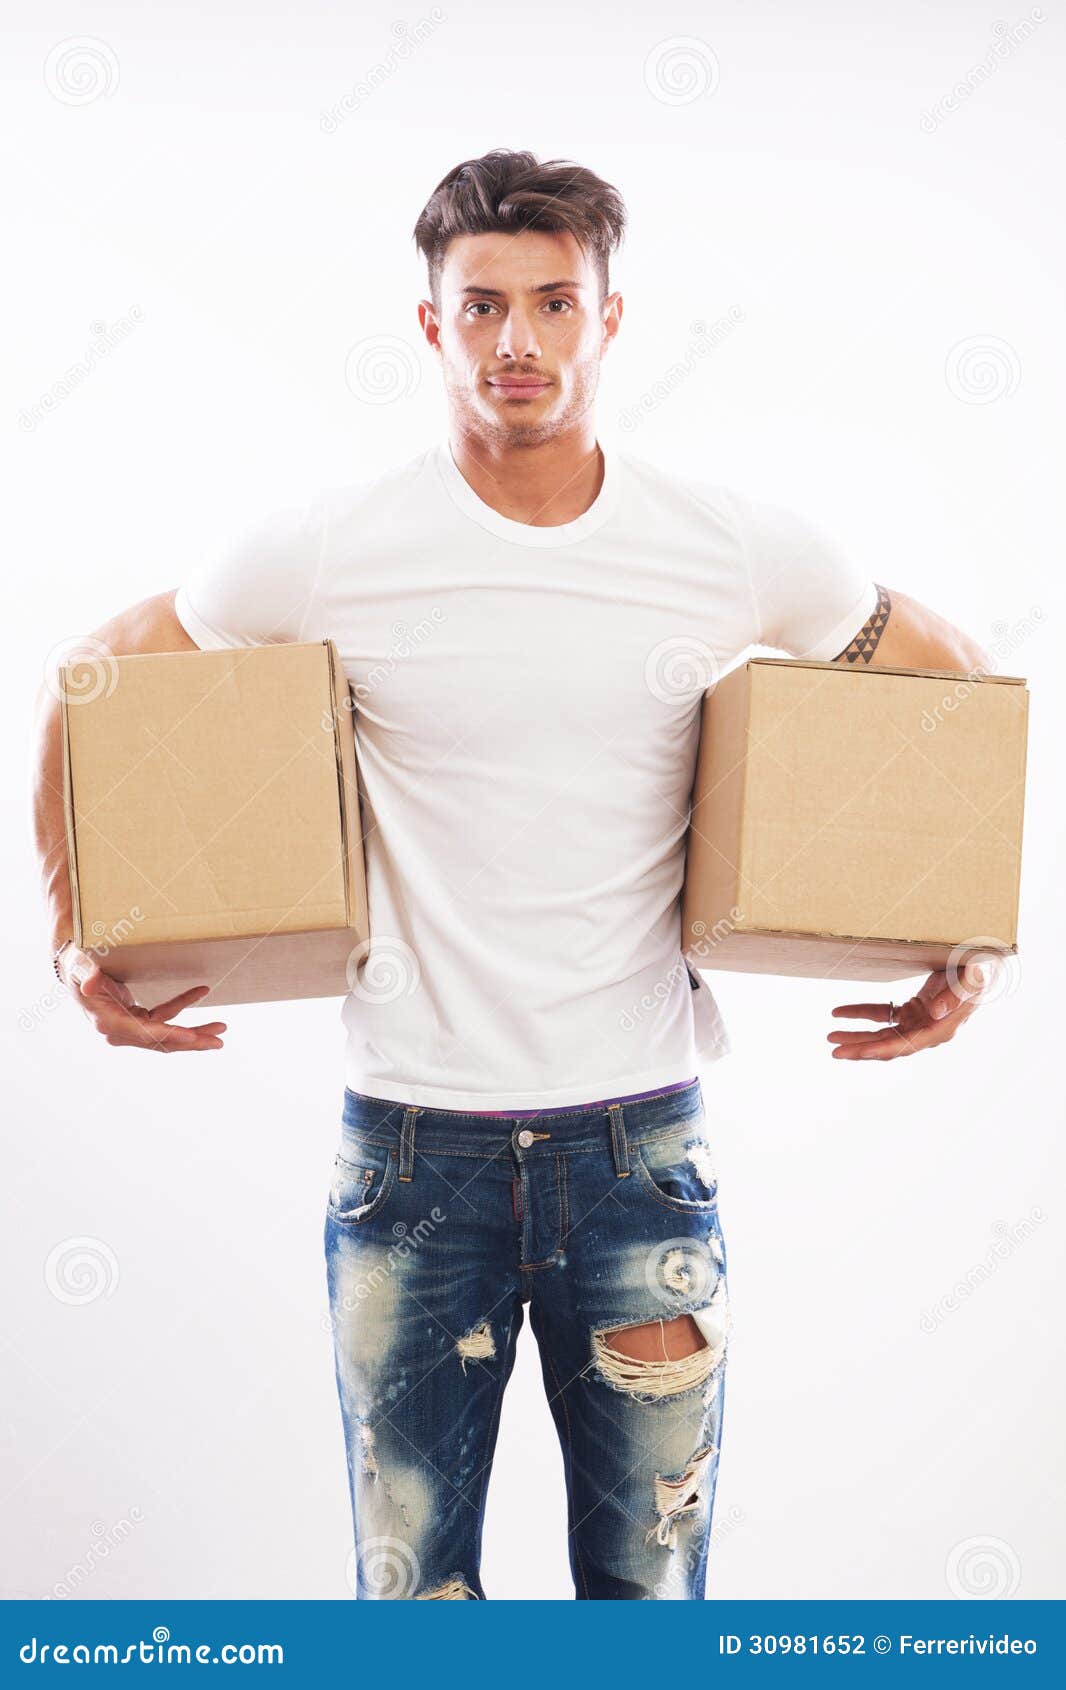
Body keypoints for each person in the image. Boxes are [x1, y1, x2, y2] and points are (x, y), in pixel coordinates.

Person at [32, 149, 993, 1600]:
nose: (519, 342)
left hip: (637, 1159)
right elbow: (94, 681)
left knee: (647, 1598)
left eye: (554, 302)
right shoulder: (337, 545)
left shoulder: (720, 544)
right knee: (413, 1608)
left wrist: (959, 935)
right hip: (412, 1162)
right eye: (481, 307)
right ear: (431, 325)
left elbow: (945, 682)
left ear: (610, 318)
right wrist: (66, 925)